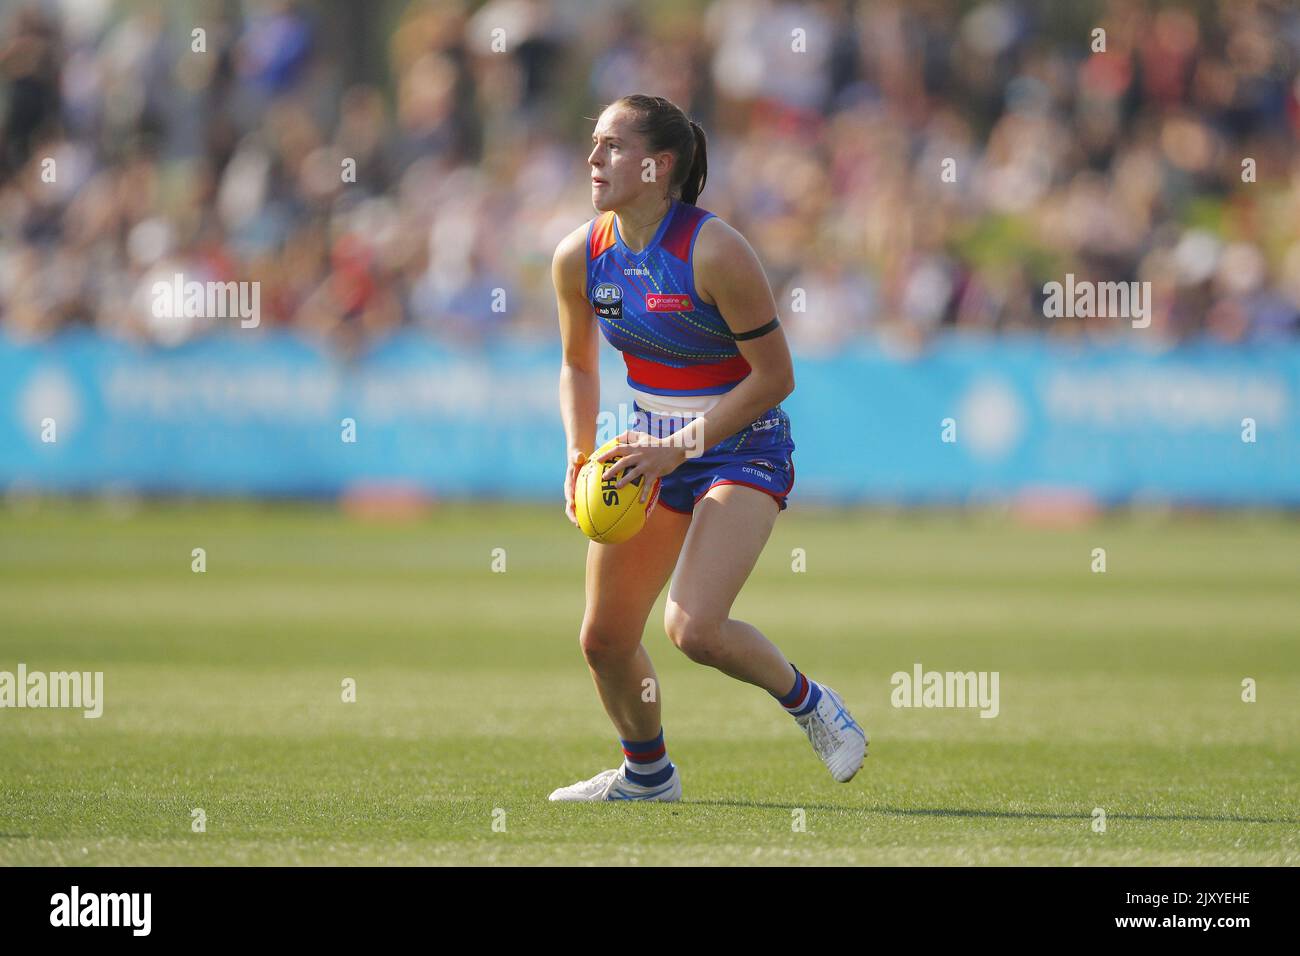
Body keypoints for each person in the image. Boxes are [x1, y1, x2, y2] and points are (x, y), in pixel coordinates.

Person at [549, 94, 866, 801]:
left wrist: (681, 447)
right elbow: (577, 365)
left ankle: (813, 704)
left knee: (694, 628)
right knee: (604, 639)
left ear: (658, 167)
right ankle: (647, 776)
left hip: (740, 445)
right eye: (592, 141)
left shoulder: (715, 250)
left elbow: (776, 378)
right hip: (646, 447)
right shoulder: (580, 256)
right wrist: (578, 454)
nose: (593, 158)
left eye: (612, 145)